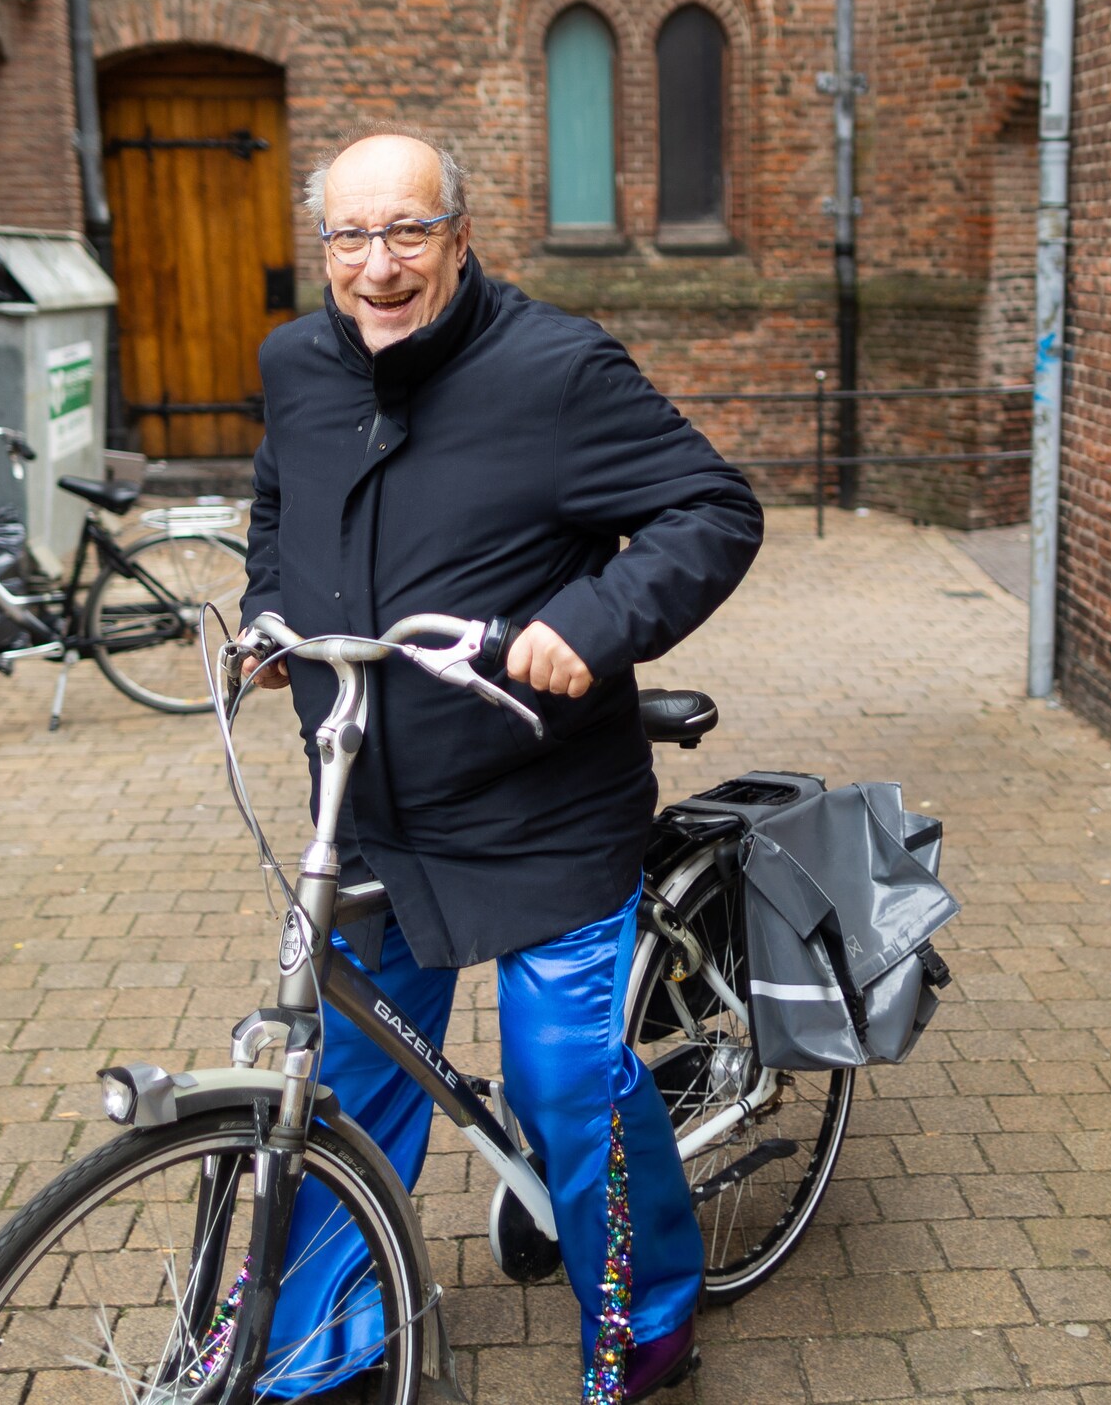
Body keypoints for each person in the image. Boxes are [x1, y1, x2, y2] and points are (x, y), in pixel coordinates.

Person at [239, 132, 762, 1401]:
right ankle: (328, 1358)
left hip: (539, 799)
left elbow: (712, 509)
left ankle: (646, 1319)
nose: (377, 266)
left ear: (460, 237)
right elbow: (276, 509)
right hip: (362, 795)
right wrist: (265, 609)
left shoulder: (556, 368)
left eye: (406, 232)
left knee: (562, 1075)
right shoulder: (295, 365)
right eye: (351, 237)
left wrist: (592, 622)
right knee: (339, 1080)